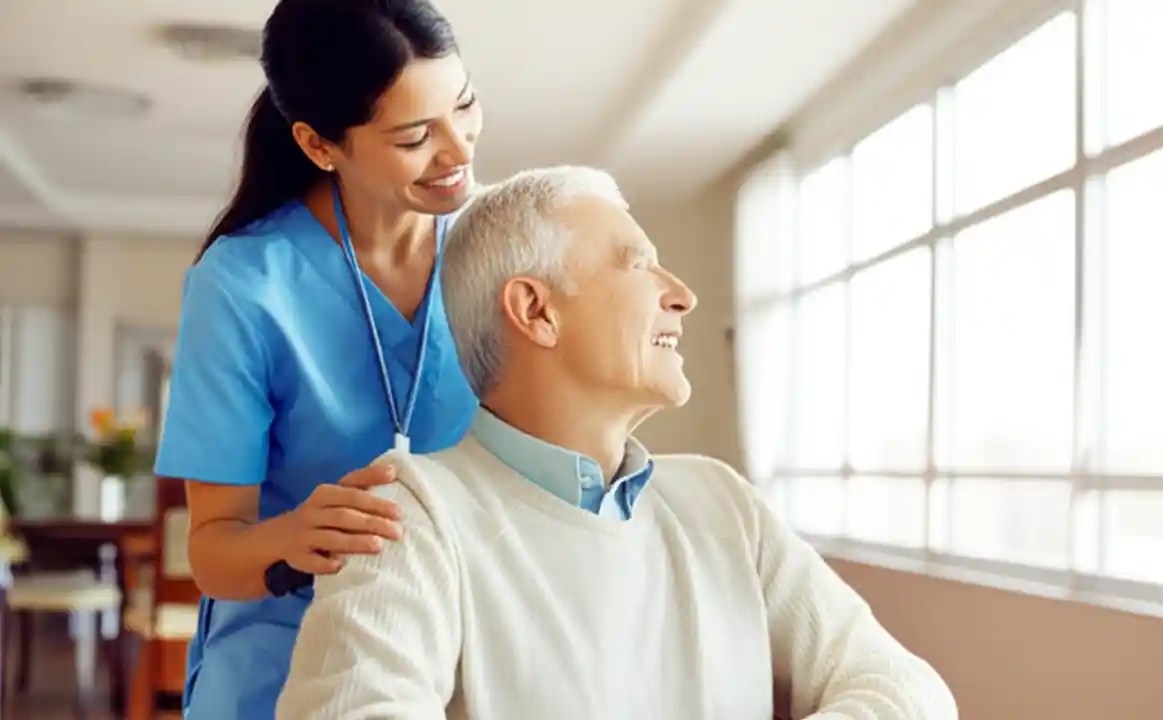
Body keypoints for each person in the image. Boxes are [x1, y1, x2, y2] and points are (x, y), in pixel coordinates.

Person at [275, 166, 958, 719]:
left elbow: (905, 687)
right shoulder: (410, 513)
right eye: (640, 266)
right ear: (536, 310)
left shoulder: (724, 504)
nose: (682, 295)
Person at [151, 0, 482, 716]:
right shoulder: (242, 285)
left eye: (465, 105)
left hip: (458, 658)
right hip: (279, 670)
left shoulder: (501, 244)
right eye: (416, 135)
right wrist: (295, 537)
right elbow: (213, 552)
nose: (459, 153)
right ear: (319, 143)